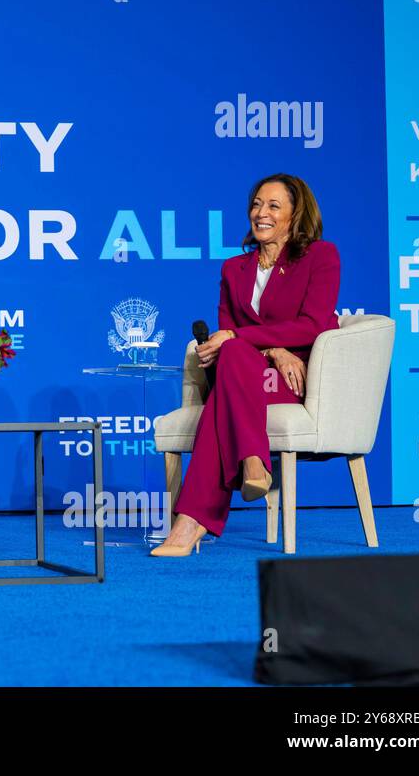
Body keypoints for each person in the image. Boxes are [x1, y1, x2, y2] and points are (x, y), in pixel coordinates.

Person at [152, 173, 340, 557]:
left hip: (290, 378)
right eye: (256, 204)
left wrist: (255, 344)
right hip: (247, 370)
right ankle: (252, 461)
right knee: (234, 357)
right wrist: (271, 348)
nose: (261, 213)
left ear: (295, 214)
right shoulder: (233, 269)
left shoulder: (320, 257)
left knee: (228, 378)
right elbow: (227, 333)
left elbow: (314, 325)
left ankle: (189, 522)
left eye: (273, 205)